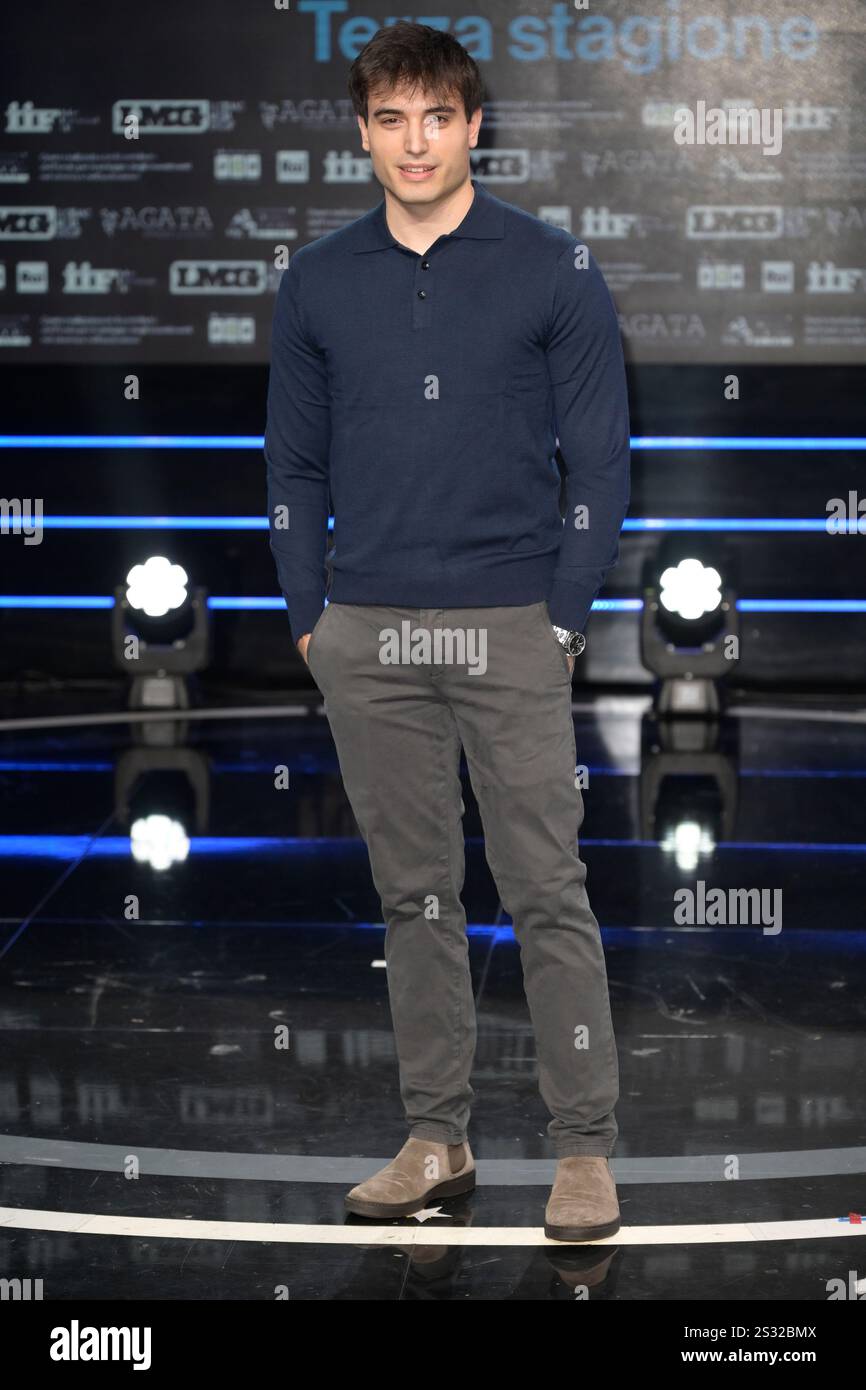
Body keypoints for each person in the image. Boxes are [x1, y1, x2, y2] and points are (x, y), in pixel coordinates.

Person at [265, 21, 630, 1242]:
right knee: (413, 898)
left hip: (511, 623)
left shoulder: (551, 268)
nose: (412, 143)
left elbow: (599, 463)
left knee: (544, 892)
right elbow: (294, 464)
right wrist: (310, 615)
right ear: (361, 133)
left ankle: (582, 1151)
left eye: (435, 118)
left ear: (472, 127)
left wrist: (565, 621)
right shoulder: (315, 281)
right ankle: (436, 1136)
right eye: (388, 119)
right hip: (365, 632)